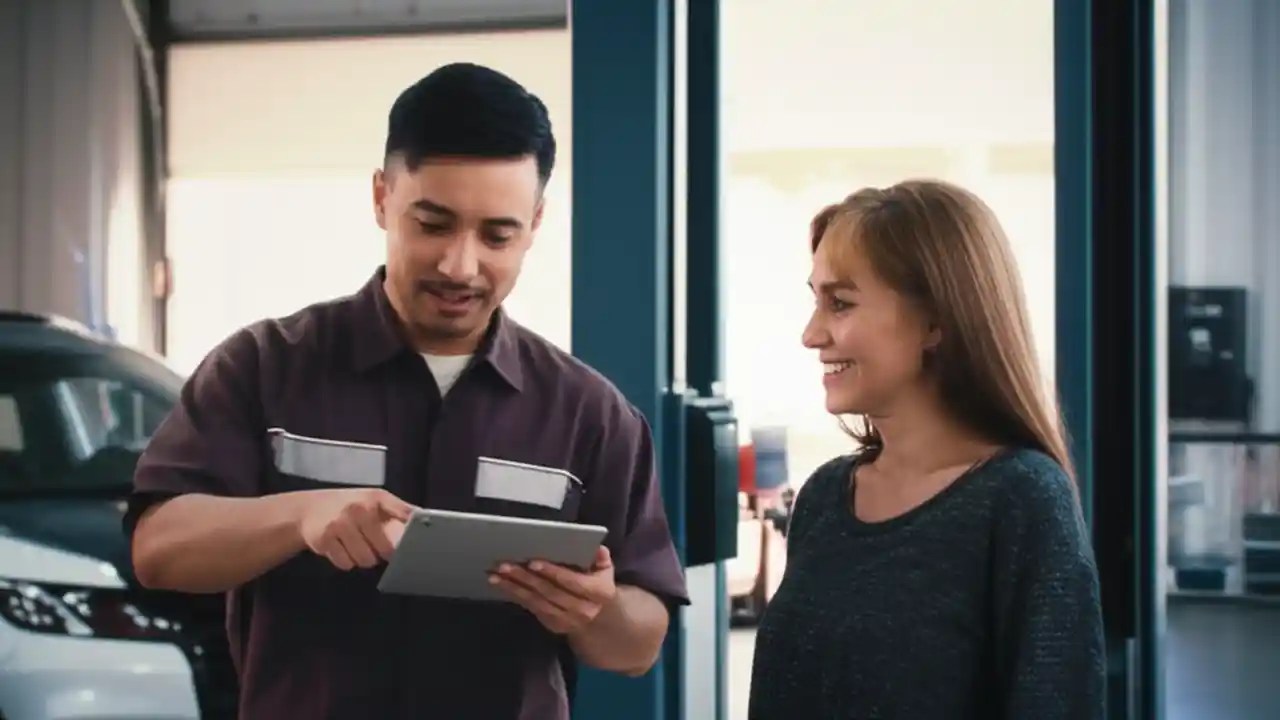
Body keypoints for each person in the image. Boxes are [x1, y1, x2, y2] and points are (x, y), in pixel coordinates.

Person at [126, 62, 688, 720]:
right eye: (433, 224)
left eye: (496, 235)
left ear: (535, 223)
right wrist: (302, 517)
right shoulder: (263, 367)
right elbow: (157, 549)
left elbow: (639, 644)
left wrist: (594, 609)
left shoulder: (589, 414)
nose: (461, 264)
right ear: (380, 198)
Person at [748, 180, 1105, 719]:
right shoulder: (824, 496)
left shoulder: (1022, 499)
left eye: (839, 303)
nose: (811, 333)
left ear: (936, 320)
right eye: (815, 301)